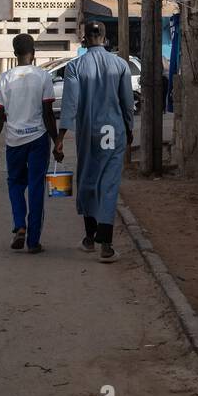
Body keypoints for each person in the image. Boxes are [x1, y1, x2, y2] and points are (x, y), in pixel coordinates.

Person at [55, 21, 134, 262]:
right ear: (105, 38)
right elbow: (127, 103)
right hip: (114, 131)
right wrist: (129, 130)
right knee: (109, 185)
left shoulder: (75, 67)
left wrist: (59, 138)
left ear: (85, 39)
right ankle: (106, 245)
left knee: (88, 180)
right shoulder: (121, 65)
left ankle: (90, 238)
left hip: (89, 132)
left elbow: (69, 105)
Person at [0, 33, 58, 254]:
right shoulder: (43, 77)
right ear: (34, 53)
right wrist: (57, 142)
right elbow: (48, 114)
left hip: (14, 140)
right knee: (36, 187)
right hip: (38, 139)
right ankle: (33, 241)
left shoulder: (5, 78)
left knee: (15, 184)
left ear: (15, 53)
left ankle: (20, 225)